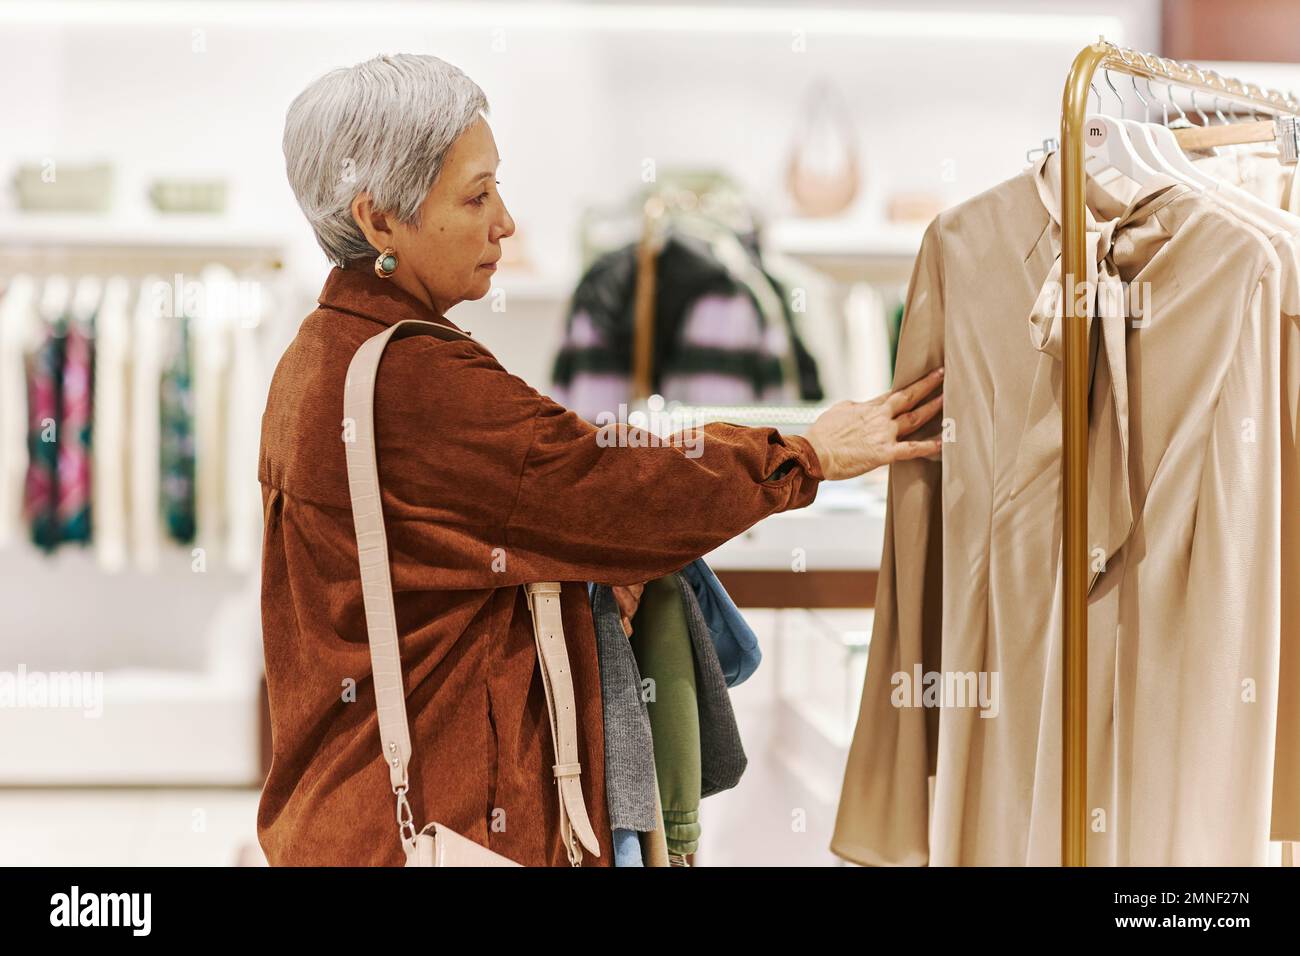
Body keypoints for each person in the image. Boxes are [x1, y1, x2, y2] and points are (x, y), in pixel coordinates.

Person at [258, 52, 945, 866]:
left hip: (343, 811)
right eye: (476, 196)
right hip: (432, 826)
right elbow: (607, 486)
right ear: (378, 222)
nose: (505, 223)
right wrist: (806, 454)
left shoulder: (324, 352)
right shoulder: (412, 381)